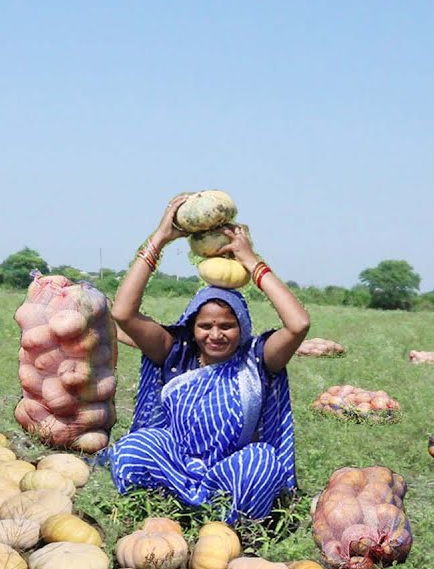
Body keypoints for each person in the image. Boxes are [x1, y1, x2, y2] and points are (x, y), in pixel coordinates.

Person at [106, 194, 311, 523]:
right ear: (192, 326)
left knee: (262, 463)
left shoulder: (257, 360)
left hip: (231, 472)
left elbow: (299, 324)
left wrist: (251, 260)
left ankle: (225, 522)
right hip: (176, 464)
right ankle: (165, 509)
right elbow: (123, 312)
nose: (215, 335)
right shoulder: (176, 353)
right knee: (134, 449)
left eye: (227, 326)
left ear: (242, 327)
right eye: (206, 326)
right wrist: (160, 238)